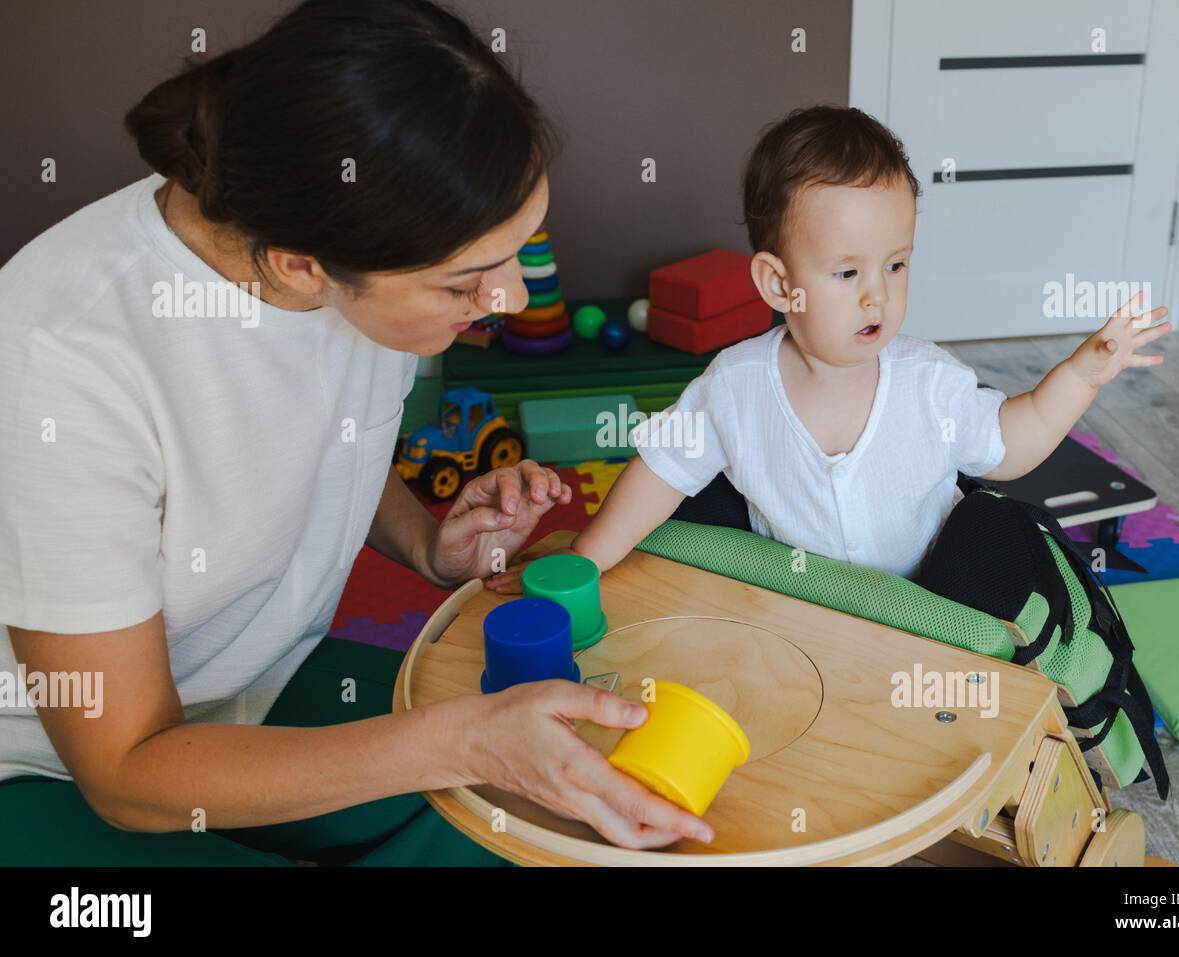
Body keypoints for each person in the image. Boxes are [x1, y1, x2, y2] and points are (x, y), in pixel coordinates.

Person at [0, 0, 712, 866]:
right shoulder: (65, 365)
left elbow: (310, 423)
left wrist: (425, 541)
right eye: (466, 286)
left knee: (553, 826)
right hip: (55, 771)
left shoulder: (346, 251)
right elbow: (124, 770)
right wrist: (461, 740)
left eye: (519, 254)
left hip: (261, 687)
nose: (511, 303)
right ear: (303, 264)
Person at [486, 105, 1172, 590]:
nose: (877, 294)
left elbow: (1014, 441)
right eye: (847, 273)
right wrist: (586, 559)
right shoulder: (735, 386)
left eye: (895, 264)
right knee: (696, 534)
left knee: (998, 543)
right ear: (778, 283)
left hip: (928, 615)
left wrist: (1081, 374)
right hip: (801, 614)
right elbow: (659, 472)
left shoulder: (929, 382)